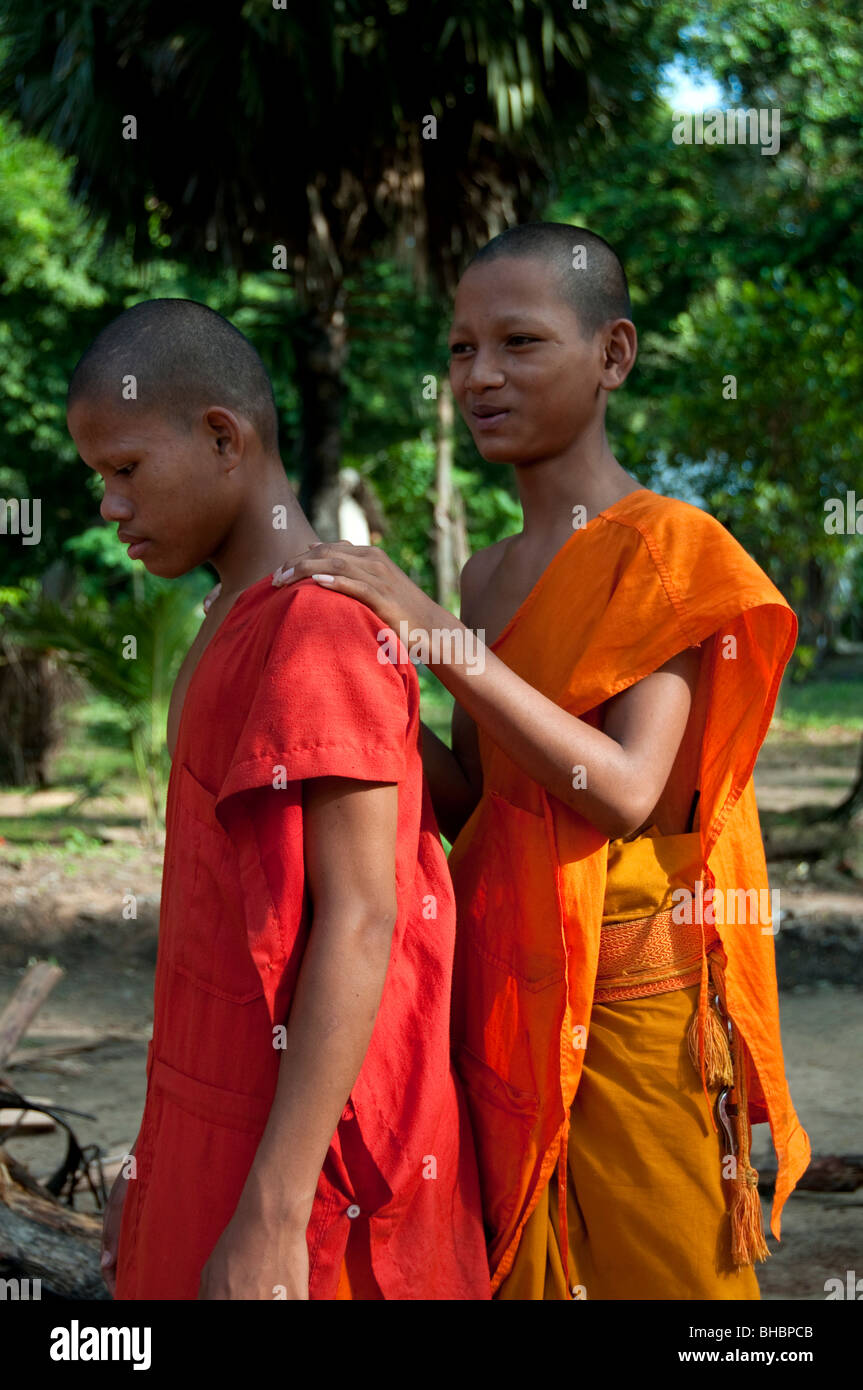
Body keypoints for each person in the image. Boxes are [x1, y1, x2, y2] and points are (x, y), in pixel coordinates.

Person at [272, 224, 811, 1299]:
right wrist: (351, 702)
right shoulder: (485, 572)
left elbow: (618, 792)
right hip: (504, 982)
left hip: (627, 1005)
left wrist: (430, 634)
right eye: (462, 348)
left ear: (612, 354)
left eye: (518, 342)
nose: (478, 375)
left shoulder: (668, 549)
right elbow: (481, 798)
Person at [66, 298, 491, 1301]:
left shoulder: (316, 628)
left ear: (223, 436)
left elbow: (360, 918)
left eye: (125, 469)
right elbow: (214, 942)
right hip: (214, 1122)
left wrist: (272, 1212)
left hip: (309, 1166)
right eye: (98, 480)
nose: (108, 506)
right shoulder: (229, 616)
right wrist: (152, 1149)